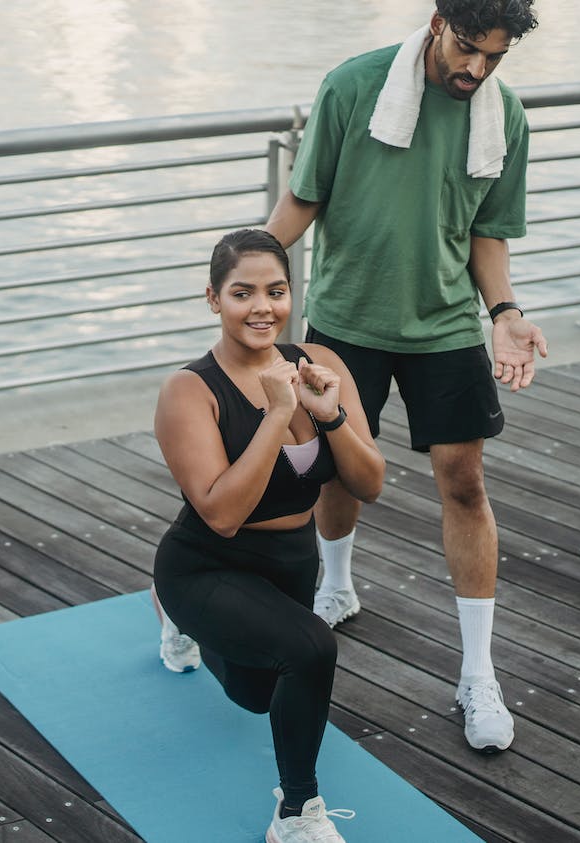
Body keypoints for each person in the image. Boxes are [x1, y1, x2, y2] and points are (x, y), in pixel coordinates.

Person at [263, 0, 547, 754]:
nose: (476, 70)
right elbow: (305, 198)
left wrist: (506, 312)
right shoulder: (353, 87)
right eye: (466, 49)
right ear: (436, 22)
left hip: (447, 324)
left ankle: (477, 672)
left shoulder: (505, 116)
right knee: (336, 471)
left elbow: (488, 233)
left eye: (493, 57)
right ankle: (337, 584)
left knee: (465, 482)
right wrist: (251, 264)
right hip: (347, 319)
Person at [152, 229, 384, 843]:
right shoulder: (189, 390)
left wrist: (328, 414)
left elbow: (370, 483)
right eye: (242, 292)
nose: (263, 307)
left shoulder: (321, 364)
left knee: (259, 696)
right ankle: (296, 814)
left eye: (277, 291)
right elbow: (221, 514)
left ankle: (183, 627)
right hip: (206, 564)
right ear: (213, 299)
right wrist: (277, 413)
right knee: (309, 649)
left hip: (290, 563)